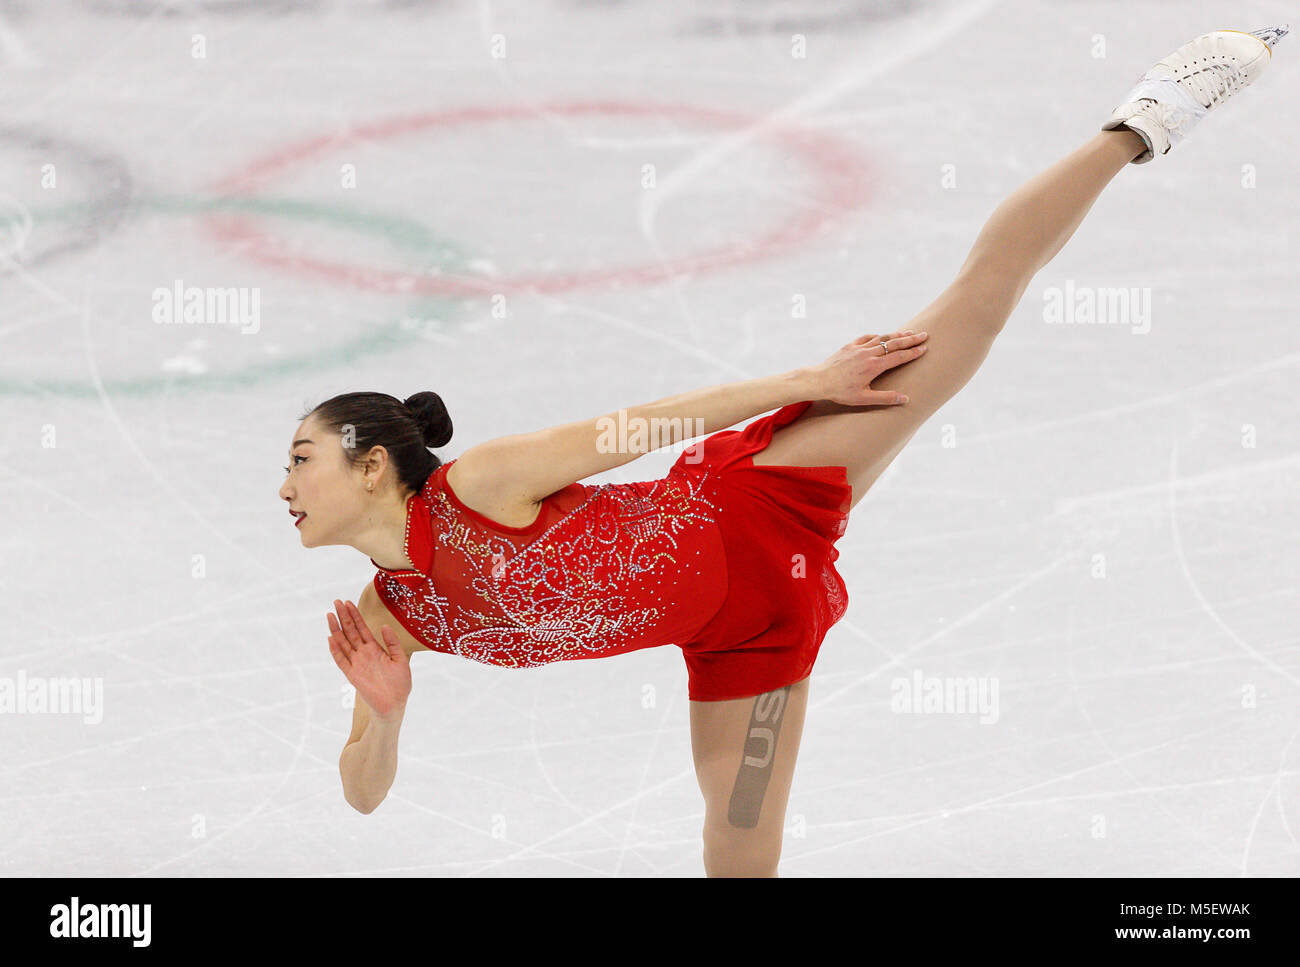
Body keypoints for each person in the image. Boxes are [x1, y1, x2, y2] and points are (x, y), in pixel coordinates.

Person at [279, 26, 1288, 876]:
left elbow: (647, 424)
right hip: (746, 637)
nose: (286, 485)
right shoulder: (391, 618)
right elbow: (362, 796)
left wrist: (810, 383)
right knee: (739, 850)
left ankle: (1148, 116)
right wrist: (389, 717)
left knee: (966, 316)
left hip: (755, 502)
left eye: (302, 457)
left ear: (374, 463)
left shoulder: (478, 487)